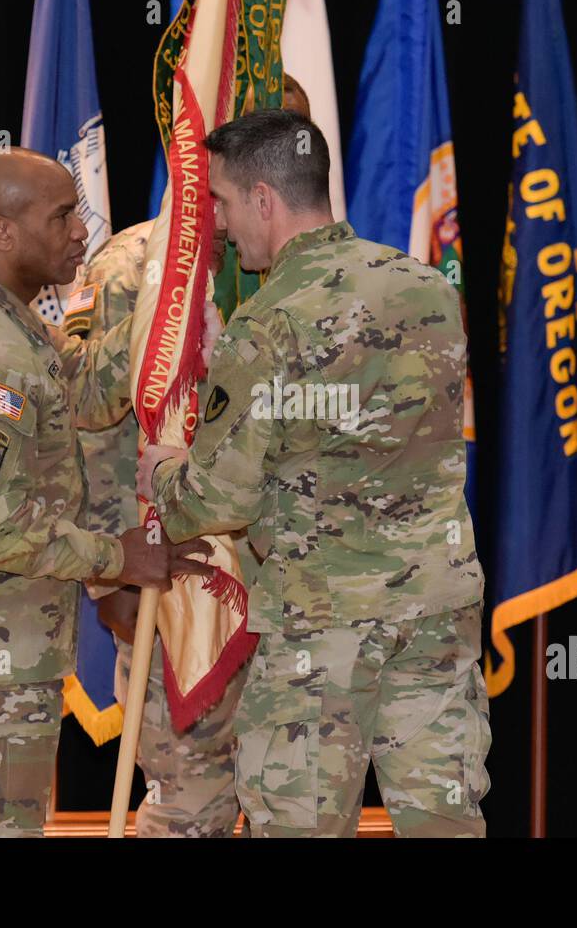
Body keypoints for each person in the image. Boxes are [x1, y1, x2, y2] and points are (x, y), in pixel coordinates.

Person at [137, 109, 489, 837]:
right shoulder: (428, 290)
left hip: (320, 625)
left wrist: (164, 472)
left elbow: (216, 497)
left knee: (296, 822)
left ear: (264, 198)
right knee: (444, 820)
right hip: (435, 607)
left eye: (226, 206)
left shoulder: (269, 324)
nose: (224, 230)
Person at [0, 146, 212, 837]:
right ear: (2, 231)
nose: (80, 232)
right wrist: (116, 556)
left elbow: (84, 386)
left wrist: (168, 314)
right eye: (60, 217)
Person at [69, 79, 315, 838]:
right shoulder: (133, 268)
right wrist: (111, 568)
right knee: (187, 811)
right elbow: (79, 417)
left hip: (306, 595)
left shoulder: (328, 279)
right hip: (177, 587)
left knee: (302, 808)